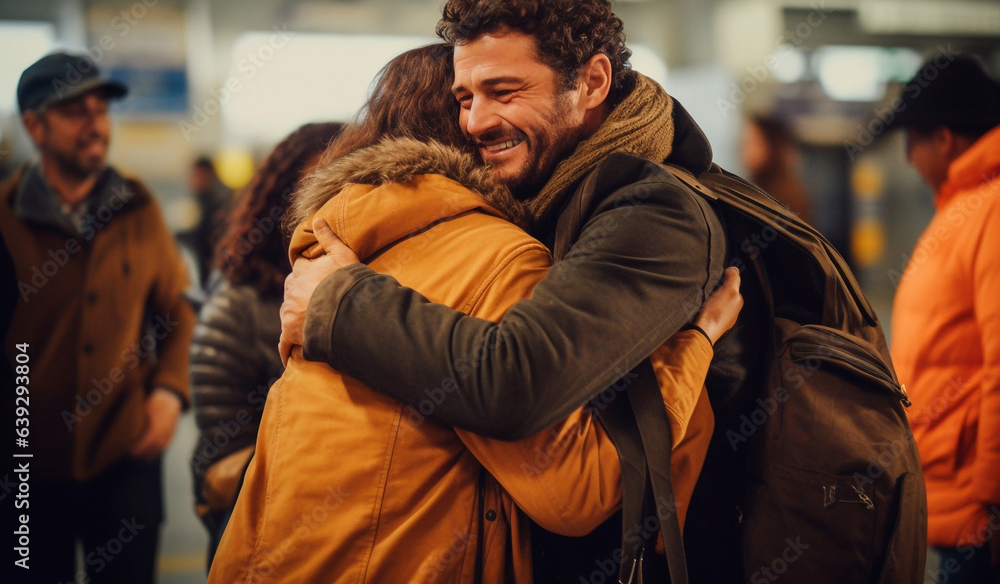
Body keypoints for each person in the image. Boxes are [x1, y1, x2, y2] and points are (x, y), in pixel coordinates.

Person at [211, 43, 742, 583]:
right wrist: (693, 343)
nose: (483, 116)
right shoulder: (494, 255)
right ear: (464, 132)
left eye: (500, 92)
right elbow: (575, 492)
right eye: (468, 99)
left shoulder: (335, 241)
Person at [0, 52, 195, 583]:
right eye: (74, 112)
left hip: (126, 453)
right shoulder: (5, 218)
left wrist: (170, 394)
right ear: (34, 126)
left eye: (101, 110)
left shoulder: (137, 208)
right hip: (25, 468)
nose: (96, 124)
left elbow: (177, 310)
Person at [189, 122, 340, 567]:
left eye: (348, 187)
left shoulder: (376, 288)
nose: (332, 208)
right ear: (279, 203)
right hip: (267, 539)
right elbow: (223, 465)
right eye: (314, 190)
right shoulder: (237, 309)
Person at [884, 54, 1000, 583]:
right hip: (950, 494)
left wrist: (992, 498)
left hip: (978, 510)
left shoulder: (991, 211)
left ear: (946, 139)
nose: (908, 158)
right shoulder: (964, 209)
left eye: (913, 141)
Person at [739, 113, 811, 222]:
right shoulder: (754, 186)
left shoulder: (786, 195)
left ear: (772, 146)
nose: (744, 150)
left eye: (752, 142)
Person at [181, 155, 233, 290]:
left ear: (206, 174)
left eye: (196, 176)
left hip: (218, 275)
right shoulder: (210, 198)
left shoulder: (217, 201)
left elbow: (206, 236)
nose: (192, 181)